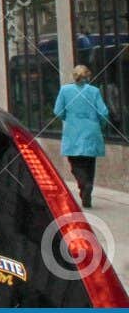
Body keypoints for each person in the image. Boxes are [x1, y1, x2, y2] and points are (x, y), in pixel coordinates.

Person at [54, 65, 111, 208]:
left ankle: (84, 185)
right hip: (92, 130)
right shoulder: (94, 91)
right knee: (89, 162)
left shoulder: (65, 90)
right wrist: (100, 126)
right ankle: (88, 186)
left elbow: (58, 111)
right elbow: (103, 112)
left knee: (75, 164)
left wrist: (67, 118)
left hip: (73, 131)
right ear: (88, 76)